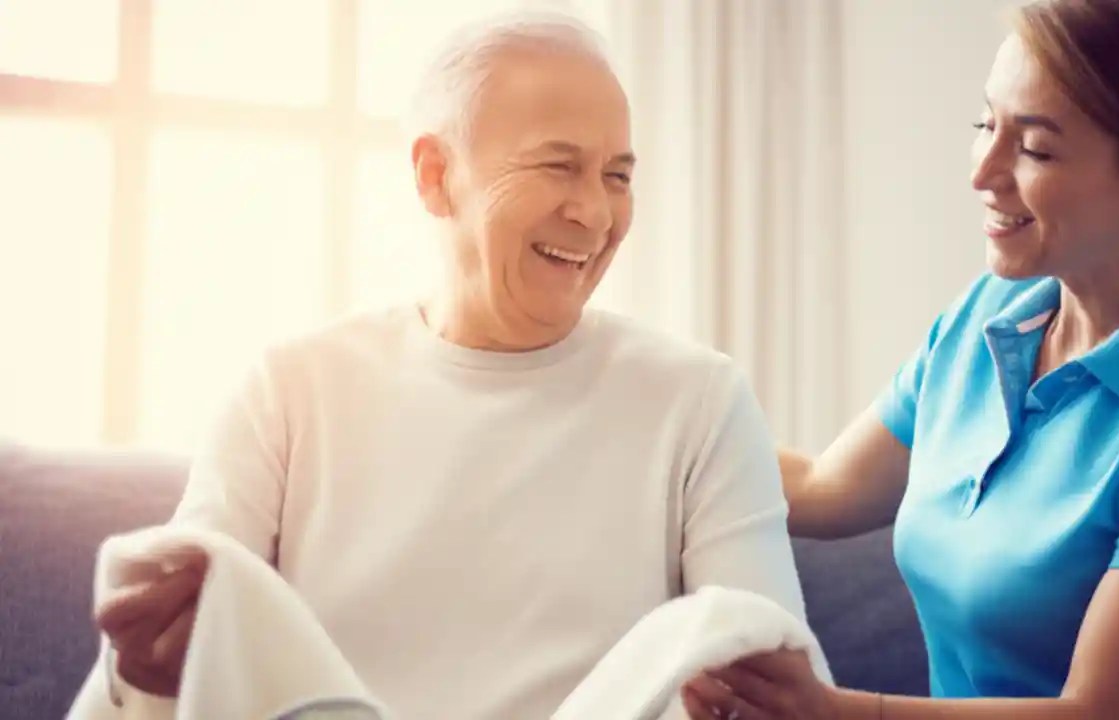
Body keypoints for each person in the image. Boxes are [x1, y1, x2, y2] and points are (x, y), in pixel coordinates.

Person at [92, 12, 812, 719]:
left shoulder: (700, 401)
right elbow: (170, 646)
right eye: (559, 165)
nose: (595, 213)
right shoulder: (288, 393)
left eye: (618, 176)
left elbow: (777, 681)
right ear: (436, 176)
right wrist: (152, 664)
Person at [682, 1, 1119, 718]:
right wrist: (652, 440)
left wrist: (835, 711)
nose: (983, 173)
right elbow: (821, 488)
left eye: (1034, 148)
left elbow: (1103, 712)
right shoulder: (988, 318)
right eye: (985, 125)